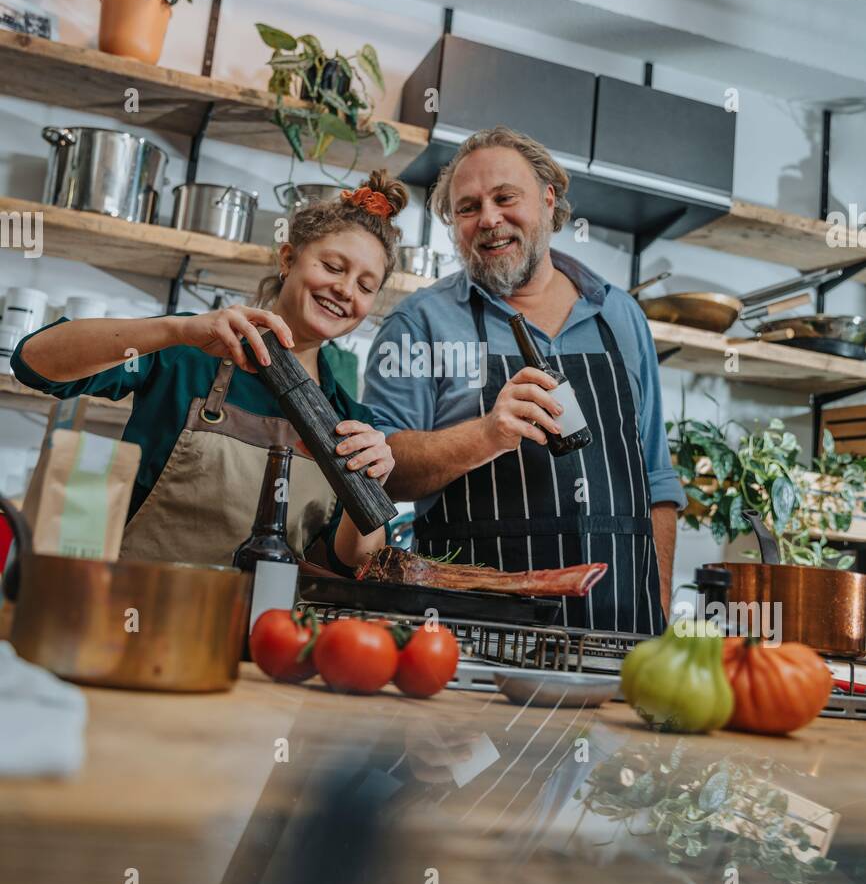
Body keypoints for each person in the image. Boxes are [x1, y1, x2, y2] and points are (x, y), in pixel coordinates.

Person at [363, 128, 685, 634]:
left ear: (549, 199)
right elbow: (382, 472)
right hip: (472, 634)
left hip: (621, 630)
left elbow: (656, 480)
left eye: (505, 197)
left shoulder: (620, 316)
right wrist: (486, 434)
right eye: (467, 208)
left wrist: (658, 611)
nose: (488, 218)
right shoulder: (419, 323)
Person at [12, 174, 408, 573]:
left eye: (365, 285)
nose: (345, 290)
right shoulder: (191, 349)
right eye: (332, 267)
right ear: (287, 259)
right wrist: (174, 329)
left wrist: (370, 480)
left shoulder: (350, 421)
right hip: (135, 610)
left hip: (265, 629)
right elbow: (34, 362)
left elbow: (354, 563)